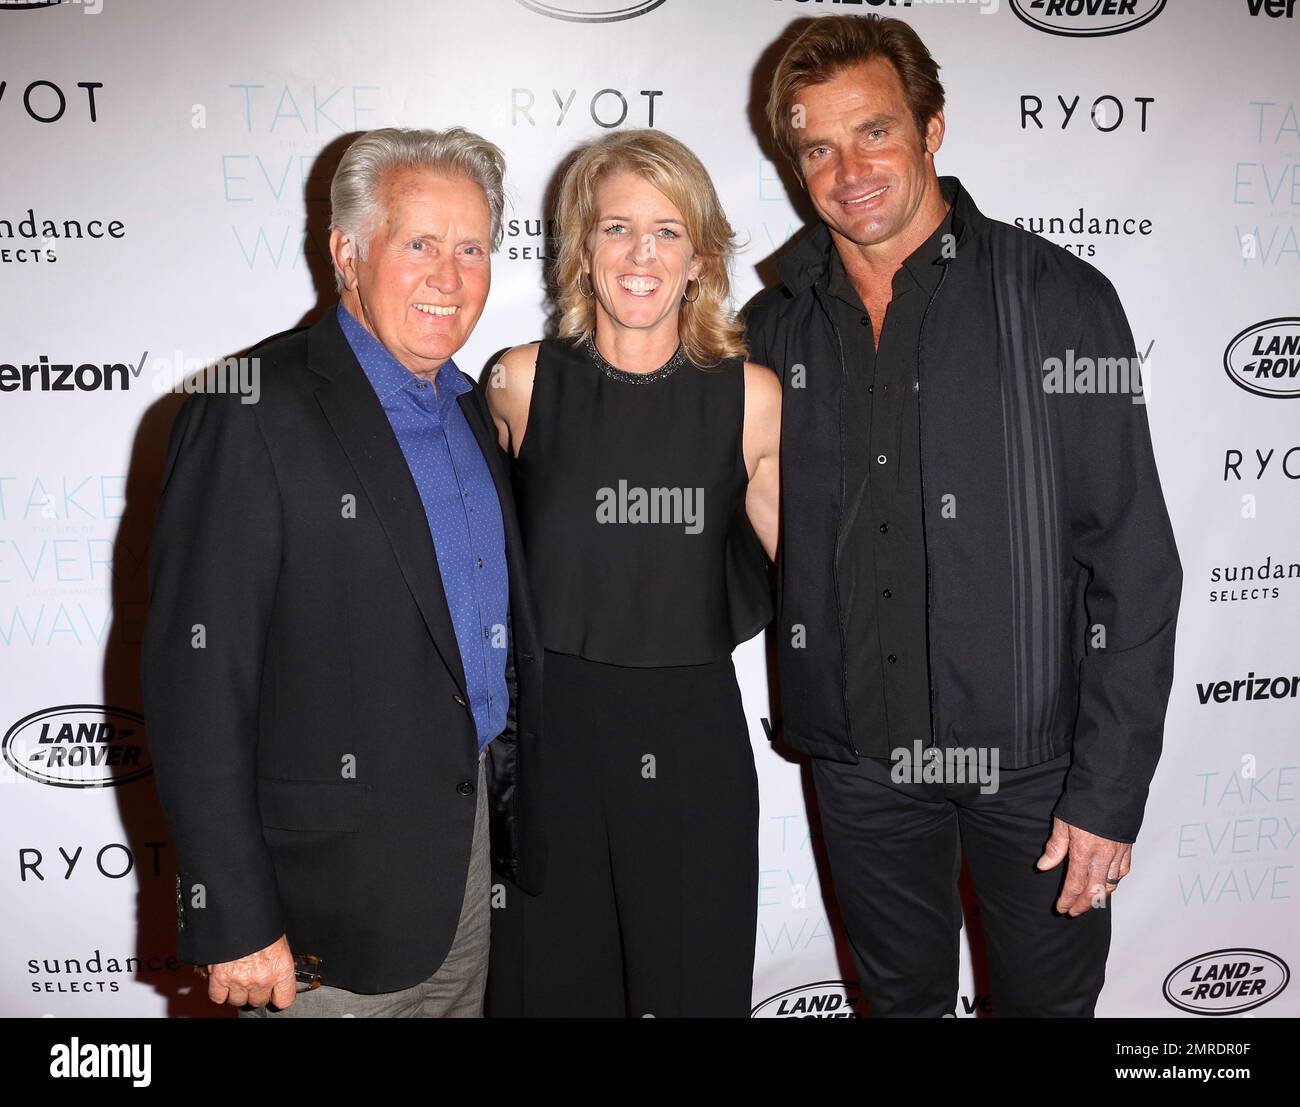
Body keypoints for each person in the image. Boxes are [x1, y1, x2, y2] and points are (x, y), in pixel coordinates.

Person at [744, 15, 1182, 1017]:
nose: (847, 167)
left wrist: (1105, 794)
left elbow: (1132, 559)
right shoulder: (773, 328)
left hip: (1031, 767)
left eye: (874, 132)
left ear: (931, 128)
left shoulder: (1060, 300)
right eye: (816, 146)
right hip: (858, 763)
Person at [141, 127, 543, 1018]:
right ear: (346, 254)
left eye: (471, 248)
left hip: (463, 866)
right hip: (318, 907)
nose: (450, 275)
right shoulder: (248, 407)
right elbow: (194, 682)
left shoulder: (473, 406)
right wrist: (234, 915)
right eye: (419, 244)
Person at [485, 129, 781, 1018]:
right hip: (551, 743)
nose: (641, 254)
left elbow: (825, 585)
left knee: (690, 992)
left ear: (700, 256)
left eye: (667, 231)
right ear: (582, 248)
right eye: (618, 228)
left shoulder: (752, 397)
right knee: (549, 993)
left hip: (694, 744)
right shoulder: (519, 382)